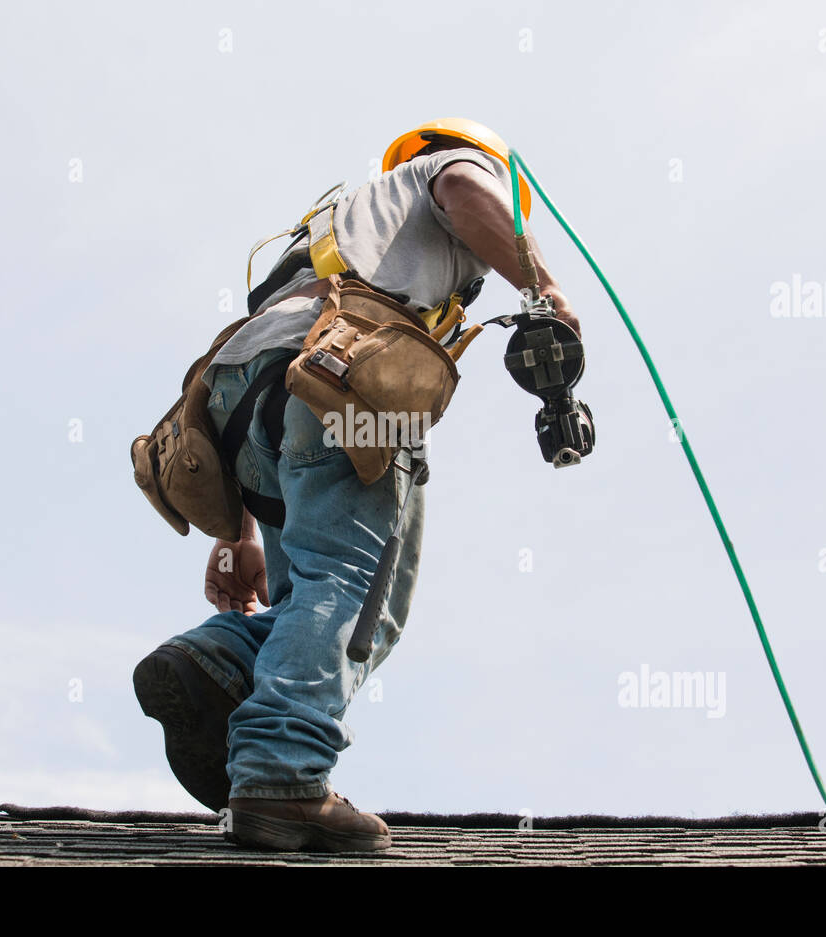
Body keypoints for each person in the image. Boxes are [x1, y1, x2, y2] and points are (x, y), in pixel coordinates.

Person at [133, 118, 580, 852]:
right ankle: (282, 774)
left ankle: (217, 659)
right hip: (344, 384)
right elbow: (466, 187)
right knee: (355, 587)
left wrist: (235, 535)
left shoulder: (338, 220)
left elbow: (271, 364)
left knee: (308, 589)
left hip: (241, 400)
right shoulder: (456, 169)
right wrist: (545, 288)